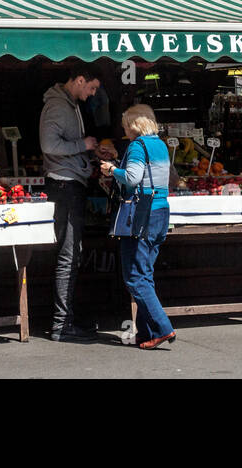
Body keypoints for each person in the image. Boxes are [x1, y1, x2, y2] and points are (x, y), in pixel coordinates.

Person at [39, 64, 113, 342]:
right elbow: (49, 145)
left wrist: (91, 151)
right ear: (79, 80)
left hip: (70, 183)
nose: (93, 93)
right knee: (68, 255)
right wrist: (83, 145)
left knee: (71, 254)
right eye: (92, 87)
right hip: (64, 186)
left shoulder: (68, 105)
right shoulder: (58, 107)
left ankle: (65, 320)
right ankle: (61, 326)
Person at [100, 104, 175, 350]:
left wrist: (111, 169)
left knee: (134, 277)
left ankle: (163, 328)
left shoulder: (138, 146)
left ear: (133, 125)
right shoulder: (161, 145)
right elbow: (169, 179)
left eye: (125, 126)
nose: (124, 131)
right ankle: (147, 333)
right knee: (145, 274)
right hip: (161, 211)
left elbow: (132, 178)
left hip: (141, 213)